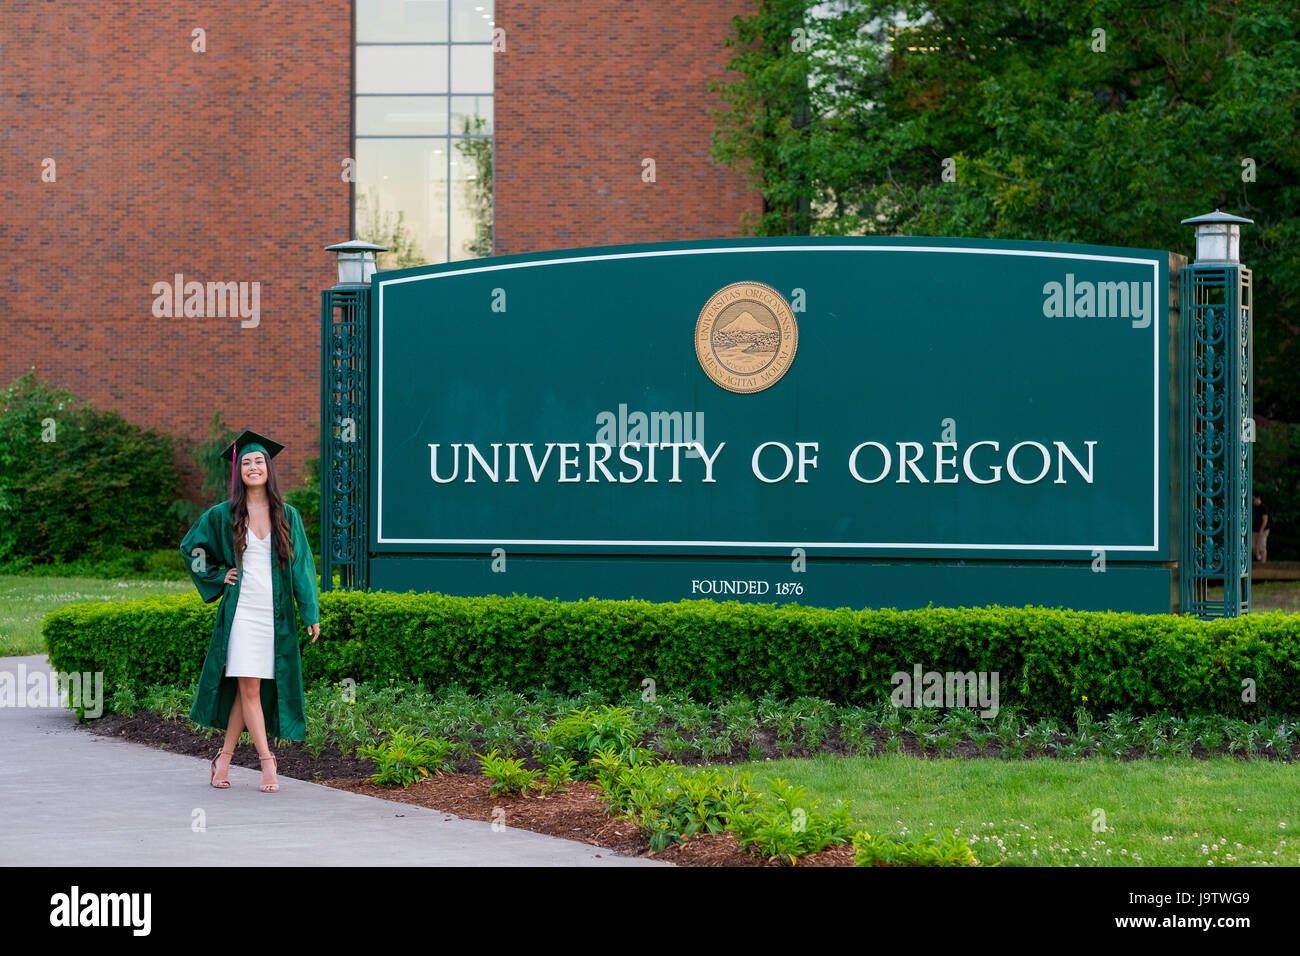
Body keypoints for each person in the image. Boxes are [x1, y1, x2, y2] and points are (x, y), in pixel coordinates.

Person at [179, 430, 321, 792]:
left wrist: (310, 613)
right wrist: (215, 574)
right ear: (238, 472)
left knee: (250, 689)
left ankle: (222, 760)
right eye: (246, 462)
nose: (253, 467)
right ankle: (268, 763)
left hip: (274, 617)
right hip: (241, 615)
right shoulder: (224, 515)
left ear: (269, 468)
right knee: (251, 688)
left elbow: (302, 567)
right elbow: (190, 548)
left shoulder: (287, 515)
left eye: (259, 461)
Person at [1252, 494, 1270, 563]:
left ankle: (1263, 563)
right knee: (1252, 546)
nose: (1253, 501)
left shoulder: (1263, 507)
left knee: (1262, 546)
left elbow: (1265, 519)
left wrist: (1261, 530)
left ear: (1258, 498)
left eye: (1254, 499)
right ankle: (1259, 557)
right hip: (1254, 530)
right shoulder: (1253, 507)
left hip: (1263, 530)